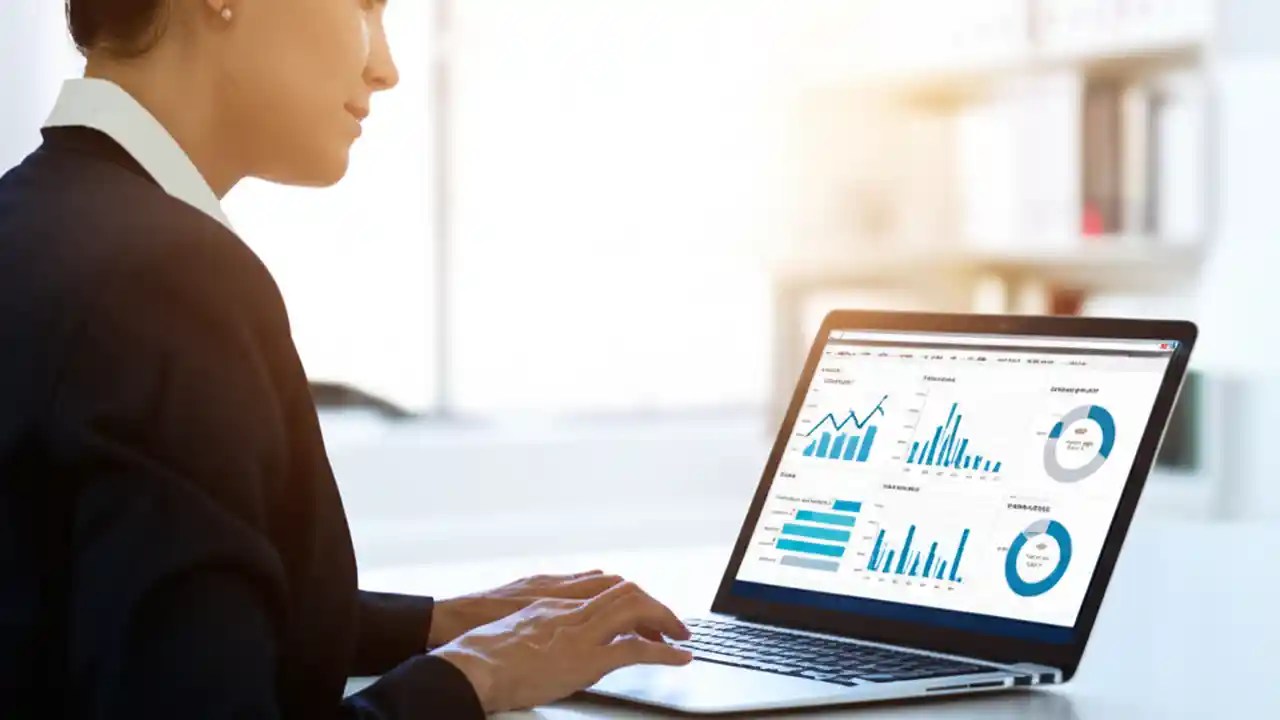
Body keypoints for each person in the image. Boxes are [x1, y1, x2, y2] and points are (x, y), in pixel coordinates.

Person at [0, 0, 692, 717]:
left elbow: (103, 609)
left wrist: (437, 625)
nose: (385, 67)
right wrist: (471, 678)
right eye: (365, 4)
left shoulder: (32, 225)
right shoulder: (169, 279)